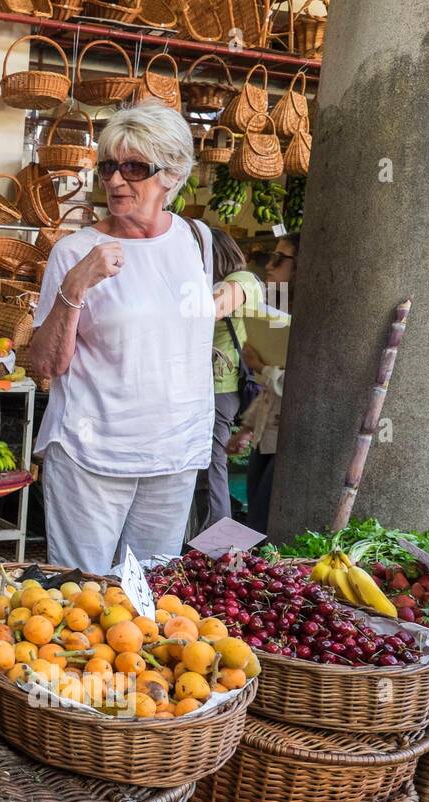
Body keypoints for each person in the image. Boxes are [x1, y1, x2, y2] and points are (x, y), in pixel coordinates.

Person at [29, 101, 214, 574]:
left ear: (171, 176)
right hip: (93, 455)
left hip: (173, 455)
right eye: (108, 166)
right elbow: (45, 366)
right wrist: (76, 285)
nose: (114, 180)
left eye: (133, 167)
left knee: (148, 597)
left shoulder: (197, 240)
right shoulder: (74, 251)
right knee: (81, 596)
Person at [229, 233, 298, 532]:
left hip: (288, 439)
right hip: (265, 435)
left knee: (263, 522)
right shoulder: (280, 311)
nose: (270, 265)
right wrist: (246, 428)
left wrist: (261, 366)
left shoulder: (308, 319)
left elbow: (299, 387)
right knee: (256, 518)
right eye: (272, 256)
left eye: (280, 260)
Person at [197, 228, 265, 528]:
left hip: (220, 385)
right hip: (210, 385)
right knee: (204, 465)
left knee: (214, 464)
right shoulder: (231, 282)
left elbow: (212, 309)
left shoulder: (240, 280)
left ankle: (220, 539)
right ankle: (202, 534)